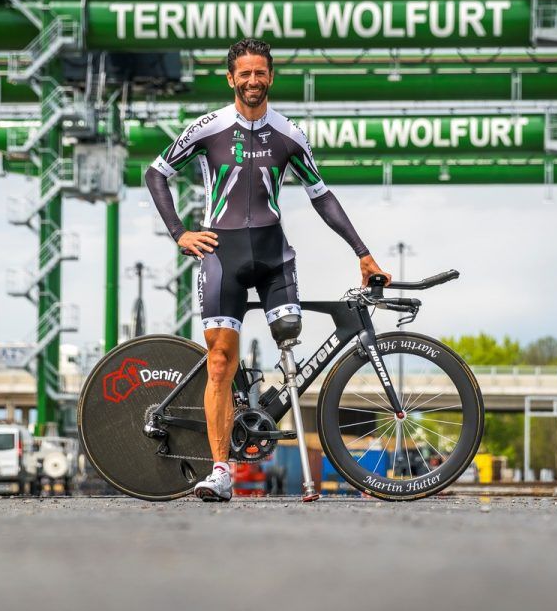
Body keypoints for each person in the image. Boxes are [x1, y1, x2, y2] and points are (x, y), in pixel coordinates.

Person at [145, 38, 391, 502]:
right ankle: (221, 470)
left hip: (275, 253)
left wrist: (363, 251)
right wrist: (179, 233)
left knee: (290, 342)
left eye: (261, 73)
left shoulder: (290, 134)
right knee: (220, 362)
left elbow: (321, 194)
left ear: (271, 77)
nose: (253, 81)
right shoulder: (207, 127)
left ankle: (259, 416)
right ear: (231, 77)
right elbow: (155, 173)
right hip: (222, 252)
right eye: (245, 73)